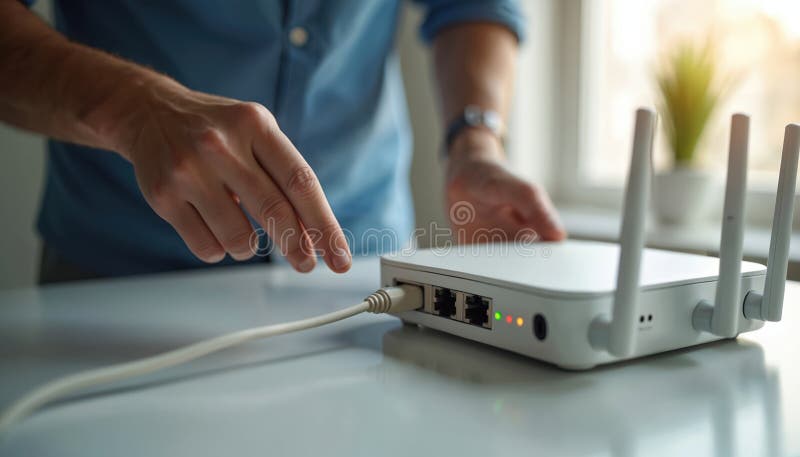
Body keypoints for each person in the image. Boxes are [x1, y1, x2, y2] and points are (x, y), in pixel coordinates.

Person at [0, 0, 565, 284]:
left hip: (364, 277)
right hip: (116, 278)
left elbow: (472, 6)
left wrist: (475, 140)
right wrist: (137, 109)